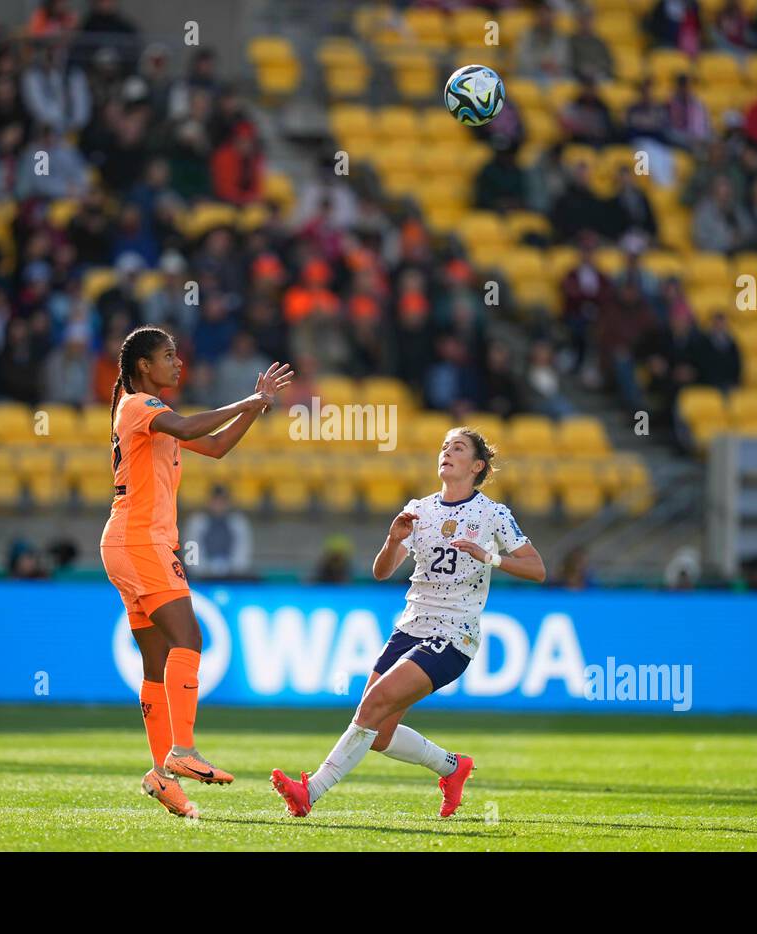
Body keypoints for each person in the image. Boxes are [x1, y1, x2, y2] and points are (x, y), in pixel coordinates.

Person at [271, 427, 546, 819]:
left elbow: (537, 568)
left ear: (478, 466)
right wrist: (391, 539)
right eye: (444, 446)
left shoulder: (492, 514)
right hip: (410, 626)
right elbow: (382, 572)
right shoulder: (420, 509)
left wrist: (490, 558)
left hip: (453, 634)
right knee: (379, 734)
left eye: (458, 448)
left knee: (373, 703)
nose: (447, 452)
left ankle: (310, 791)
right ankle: (453, 767)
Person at [100, 325, 292, 818]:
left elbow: (218, 445)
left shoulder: (151, 416)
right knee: (190, 638)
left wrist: (256, 406)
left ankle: (162, 777)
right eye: (168, 356)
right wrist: (246, 398)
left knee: (155, 661)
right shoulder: (143, 407)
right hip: (141, 540)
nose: (178, 363)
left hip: (128, 542)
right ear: (144, 365)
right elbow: (190, 429)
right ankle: (182, 752)